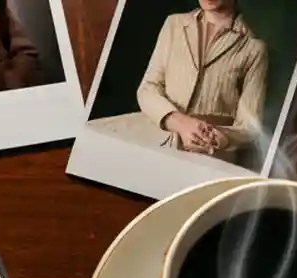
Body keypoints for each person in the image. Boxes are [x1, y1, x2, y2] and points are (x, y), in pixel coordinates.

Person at [94, 0, 269, 168]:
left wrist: (217, 138)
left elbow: (249, 127)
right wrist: (180, 123)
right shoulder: (174, 24)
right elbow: (148, 88)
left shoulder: (254, 49)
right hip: (154, 141)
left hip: (210, 158)